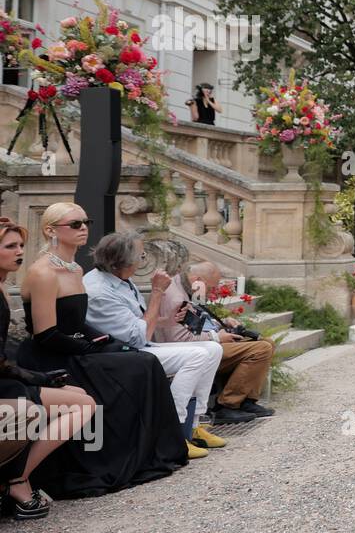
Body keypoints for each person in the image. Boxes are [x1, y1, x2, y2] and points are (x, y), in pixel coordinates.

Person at [20, 204, 188, 495]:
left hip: (77, 349)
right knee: (139, 366)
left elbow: (79, 323)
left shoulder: (74, 269)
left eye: (86, 221)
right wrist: (90, 346)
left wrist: (106, 341)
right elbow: (45, 334)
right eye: (74, 224)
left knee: (142, 360)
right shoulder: (43, 273)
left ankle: (151, 451)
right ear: (50, 231)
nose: (83, 227)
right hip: (52, 358)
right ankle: (119, 457)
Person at [82, 230, 230, 457]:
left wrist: (167, 321)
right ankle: (174, 431)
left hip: (138, 347)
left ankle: (194, 424)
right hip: (121, 354)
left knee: (212, 348)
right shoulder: (100, 291)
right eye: (141, 256)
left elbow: (141, 324)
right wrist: (158, 292)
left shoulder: (121, 279)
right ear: (123, 261)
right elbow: (138, 336)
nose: (143, 261)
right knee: (198, 356)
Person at [0, 220, 96, 519]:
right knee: (83, 404)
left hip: (9, 377)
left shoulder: (2, 285)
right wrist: (38, 377)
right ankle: (17, 480)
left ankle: (17, 477)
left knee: (80, 396)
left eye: (20, 245)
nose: (18, 252)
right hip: (6, 382)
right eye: (9, 246)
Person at [153, 260, 278, 420]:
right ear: (198, 279)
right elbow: (178, 339)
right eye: (212, 287)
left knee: (268, 343)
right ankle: (227, 405)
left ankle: (247, 400)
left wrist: (222, 322)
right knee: (261, 349)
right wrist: (217, 337)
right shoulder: (176, 298)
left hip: (205, 341)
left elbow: (199, 318)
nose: (212, 292)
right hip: (192, 349)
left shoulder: (191, 286)